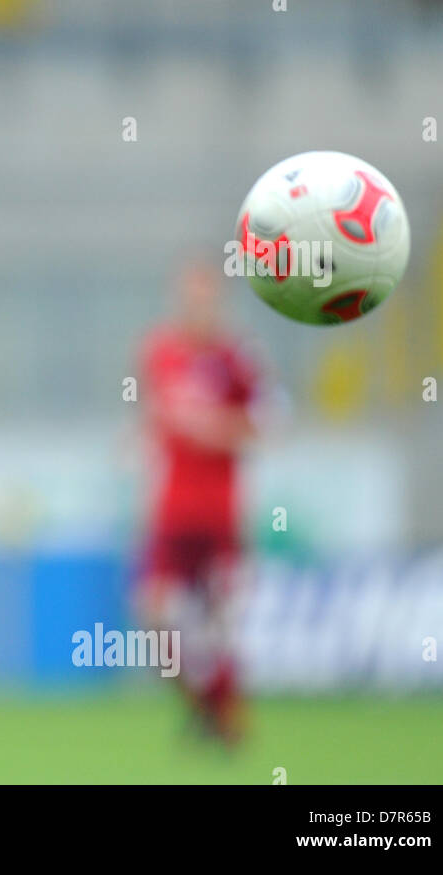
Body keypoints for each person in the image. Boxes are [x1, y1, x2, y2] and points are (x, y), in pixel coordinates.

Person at [136, 259, 262, 747]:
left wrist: (213, 429)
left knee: (217, 630)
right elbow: (156, 418)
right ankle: (206, 709)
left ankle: (225, 721)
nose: (196, 307)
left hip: (220, 515)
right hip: (171, 513)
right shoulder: (160, 352)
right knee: (153, 626)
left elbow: (266, 426)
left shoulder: (237, 359)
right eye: (188, 297)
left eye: (204, 298)